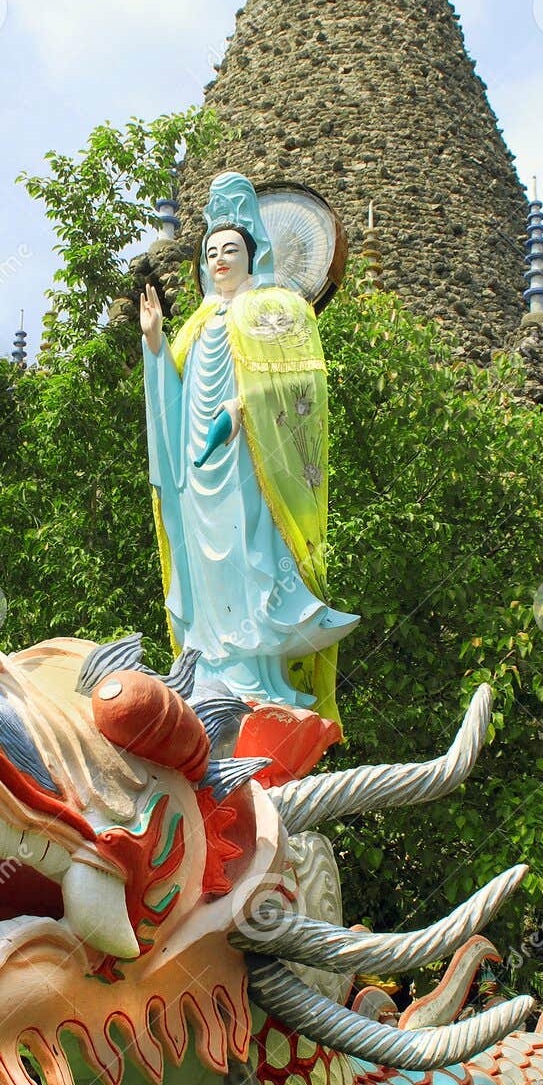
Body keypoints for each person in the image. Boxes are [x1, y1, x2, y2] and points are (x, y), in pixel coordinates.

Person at [140, 171, 357, 722]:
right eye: (210, 251)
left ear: (253, 254)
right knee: (204, 566)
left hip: (248, 462)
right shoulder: (193, 324)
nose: (218, 259)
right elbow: (173, 393)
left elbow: (299, 380)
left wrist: (244, 407)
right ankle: (210, 667)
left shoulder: (276, 309)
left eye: (230, 248)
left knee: (246, 554)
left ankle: (255, 678)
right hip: (196, 468)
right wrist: (155, 344)